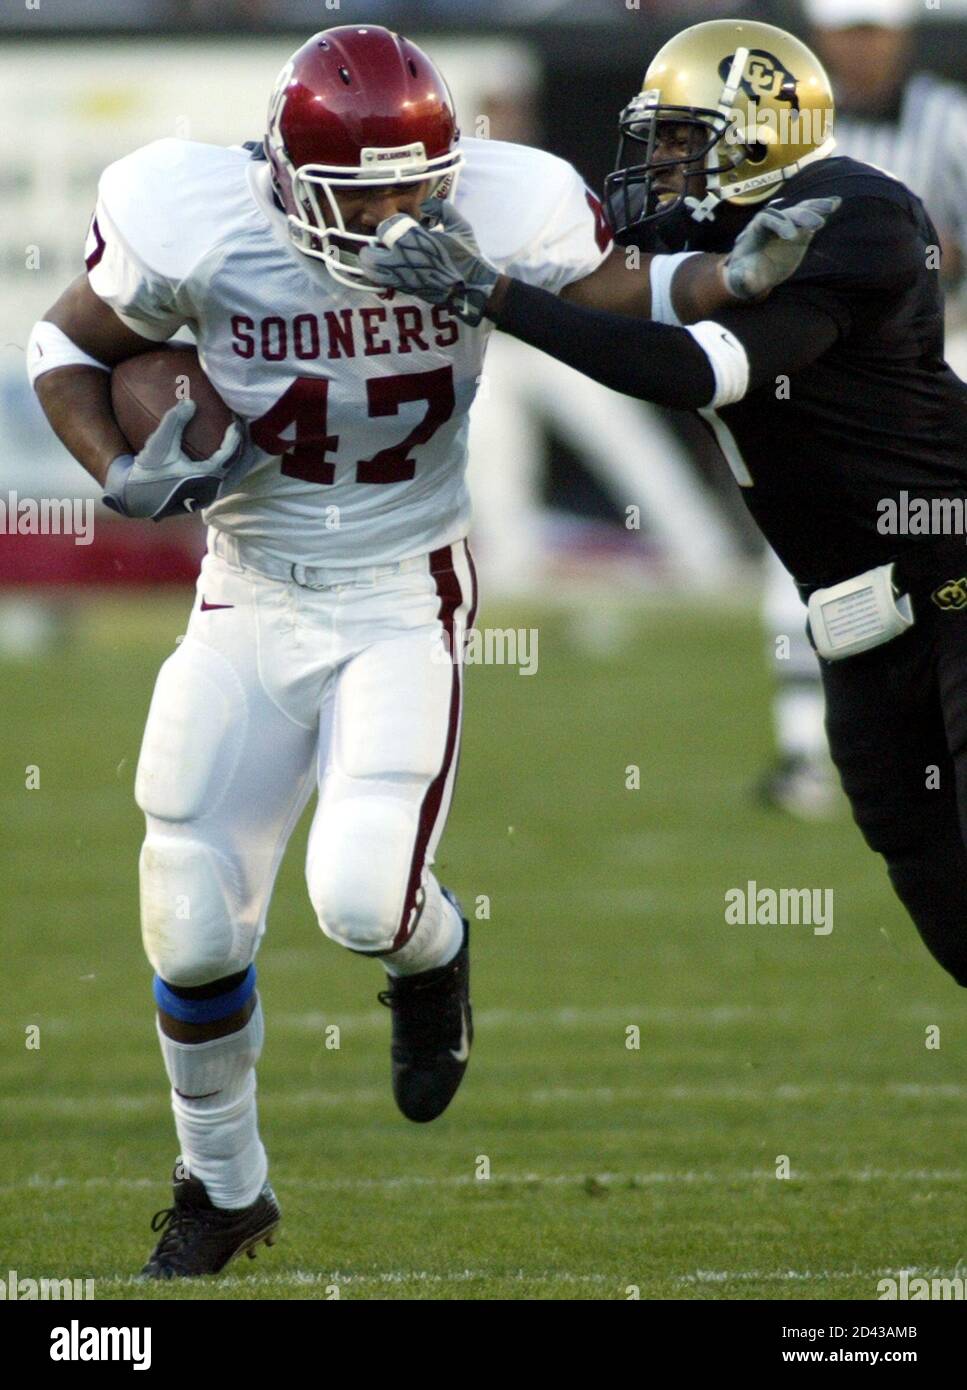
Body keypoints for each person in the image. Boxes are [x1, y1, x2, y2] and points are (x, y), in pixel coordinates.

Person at [28, 23, 819, 1278]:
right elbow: (68, 349)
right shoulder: (188, 215)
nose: (404, 213)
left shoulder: (502, 205)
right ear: (288, 179)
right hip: (247, 591)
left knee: (359, 899)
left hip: (401, 591)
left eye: (421, 184)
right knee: (187, 915)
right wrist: (122, 470)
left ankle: (433, 957)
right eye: (372, 191)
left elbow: (616, 296)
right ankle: (224, 1189)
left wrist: (731, 284)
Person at [360, 18, 967, 992]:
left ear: (759, 130)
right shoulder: (696, 229)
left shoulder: (854, 215)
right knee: (939, 896)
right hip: (855, 616)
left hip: (952, 578)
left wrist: (492, 295)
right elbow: (601, 283)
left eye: (682, 137)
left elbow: (695, 371)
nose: (660, 162)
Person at [759, 0, 967, 817]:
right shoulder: (789, 132)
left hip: (942, 343)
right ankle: (803, 748)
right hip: (831, 362)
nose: (861, 47)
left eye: (873, 30)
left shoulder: (948, 121)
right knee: (806, 543)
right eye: (848, 30)